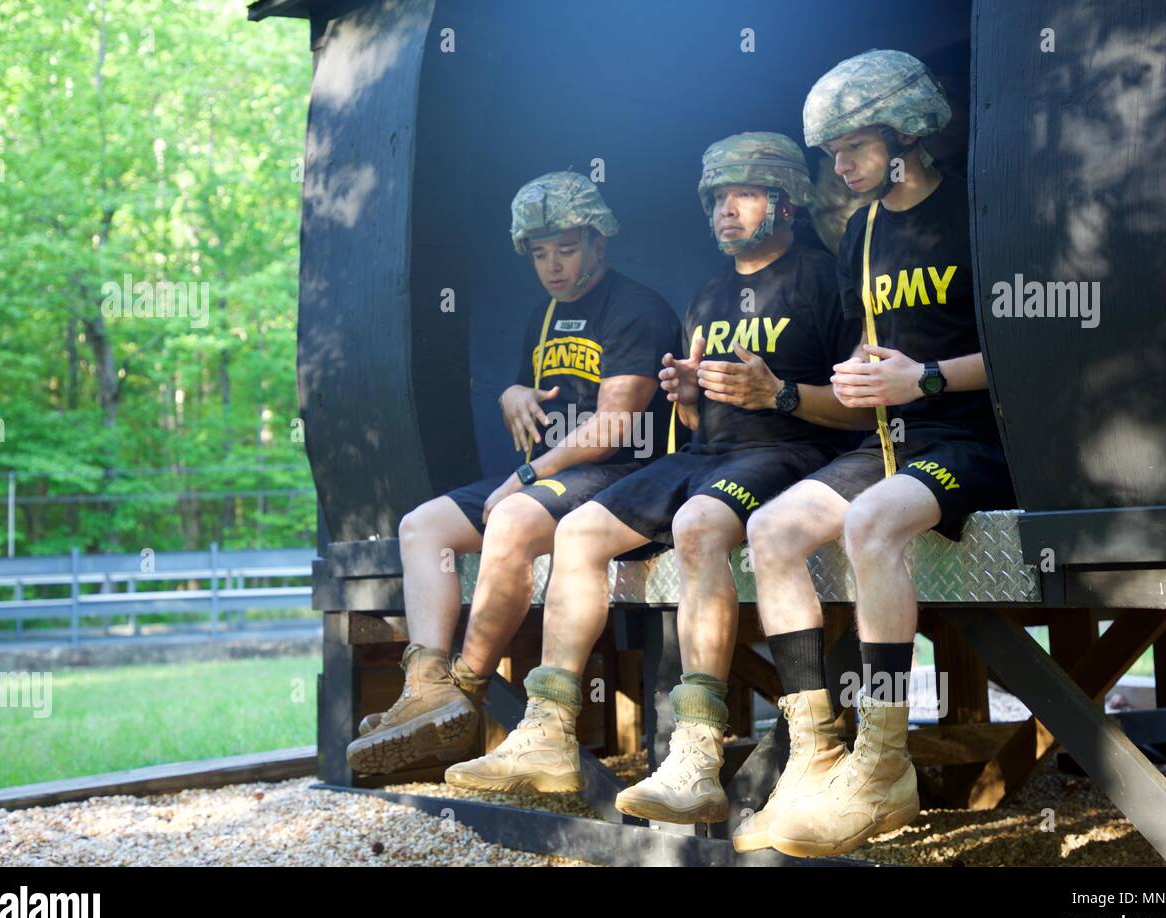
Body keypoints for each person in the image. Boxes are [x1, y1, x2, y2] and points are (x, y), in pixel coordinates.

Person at [444, 134, 867, 823]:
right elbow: (699, 421)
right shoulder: (709, 292)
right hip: (709, 456)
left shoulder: (826, 278)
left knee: (698, 525)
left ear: (785, 202)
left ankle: (697, 753)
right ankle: (548, 734)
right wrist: (689, 394)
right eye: (716, 199)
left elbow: (862, 408)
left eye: (743, 195)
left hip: (793, 451)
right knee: (576, 531)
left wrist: (780, 394)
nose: (725, 211)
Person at [733, 49, 1016, 858]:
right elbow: (877, 357)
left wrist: (924, 378)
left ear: (907, 132)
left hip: (975, 437)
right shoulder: (859, 231)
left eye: (852, 145)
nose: (840, 165)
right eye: (831, 153)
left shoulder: (976, 208)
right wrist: (855, 381)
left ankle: (883, 757)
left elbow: (1027, 345)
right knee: (771, 531)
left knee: (873, 523)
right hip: (895, 438)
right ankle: (814, 754)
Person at [346, 172, 679, 776]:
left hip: (625, 476)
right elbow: (540, 407)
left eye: (567, 249)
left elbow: (613, 426)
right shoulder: (545, 315)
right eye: (540, 253)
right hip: (552, 474)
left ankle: (466, 688)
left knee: (512, 515)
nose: (552, 265)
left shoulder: (638, 309)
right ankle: (428, 689)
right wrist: (512, 395)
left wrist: (524, 475)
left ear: (599, 242)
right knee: (421, 527)